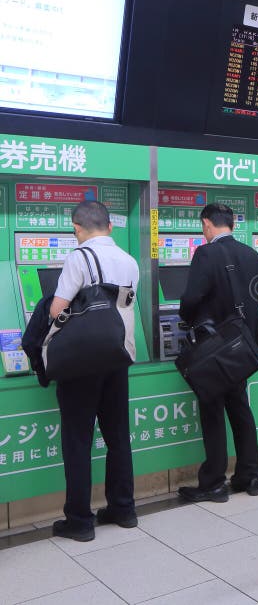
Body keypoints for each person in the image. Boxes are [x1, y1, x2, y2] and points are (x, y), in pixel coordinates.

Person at [49, 200, 139, 542]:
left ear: (77, 228)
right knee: (118, 435)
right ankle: (123, 508)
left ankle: (80, 521)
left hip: (82, 363)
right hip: (118, 357)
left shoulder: (79, 257)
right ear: (110, 227)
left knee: (77, 440)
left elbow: (57, 310)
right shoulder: (129, 261)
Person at [178, 203, 258, 502]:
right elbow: (256, 299)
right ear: (232, 225)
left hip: (212, 348)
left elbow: (191, 297)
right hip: (241, 345)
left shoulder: (205, 253)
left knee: (212, 410)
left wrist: (184, 318)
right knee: (240, 406)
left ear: (207, 224)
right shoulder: (251, 254)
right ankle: (249, 476)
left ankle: (214, 483)